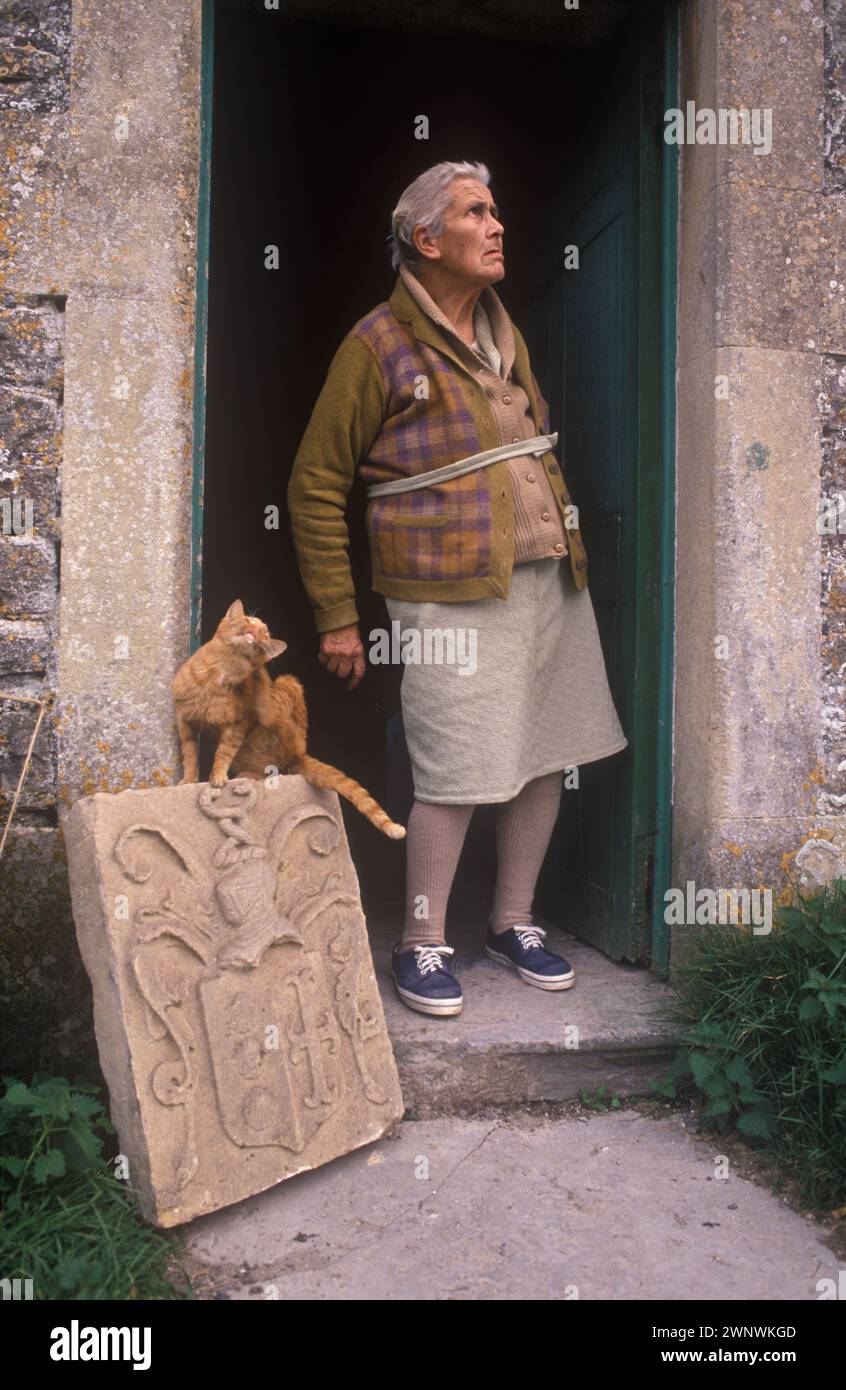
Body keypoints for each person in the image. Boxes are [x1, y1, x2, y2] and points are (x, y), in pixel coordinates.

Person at [287, 160, 627, 1018]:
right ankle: (421, 939)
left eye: (497, 210)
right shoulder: (376, 345)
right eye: (478, 212)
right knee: (456, 767)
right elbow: (316, 484)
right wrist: (337, 615)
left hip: (548, 576)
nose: (498, 225)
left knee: (547, 753)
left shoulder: (504, 334)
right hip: (445, 596)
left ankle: (513, 923)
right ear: (426, 240)